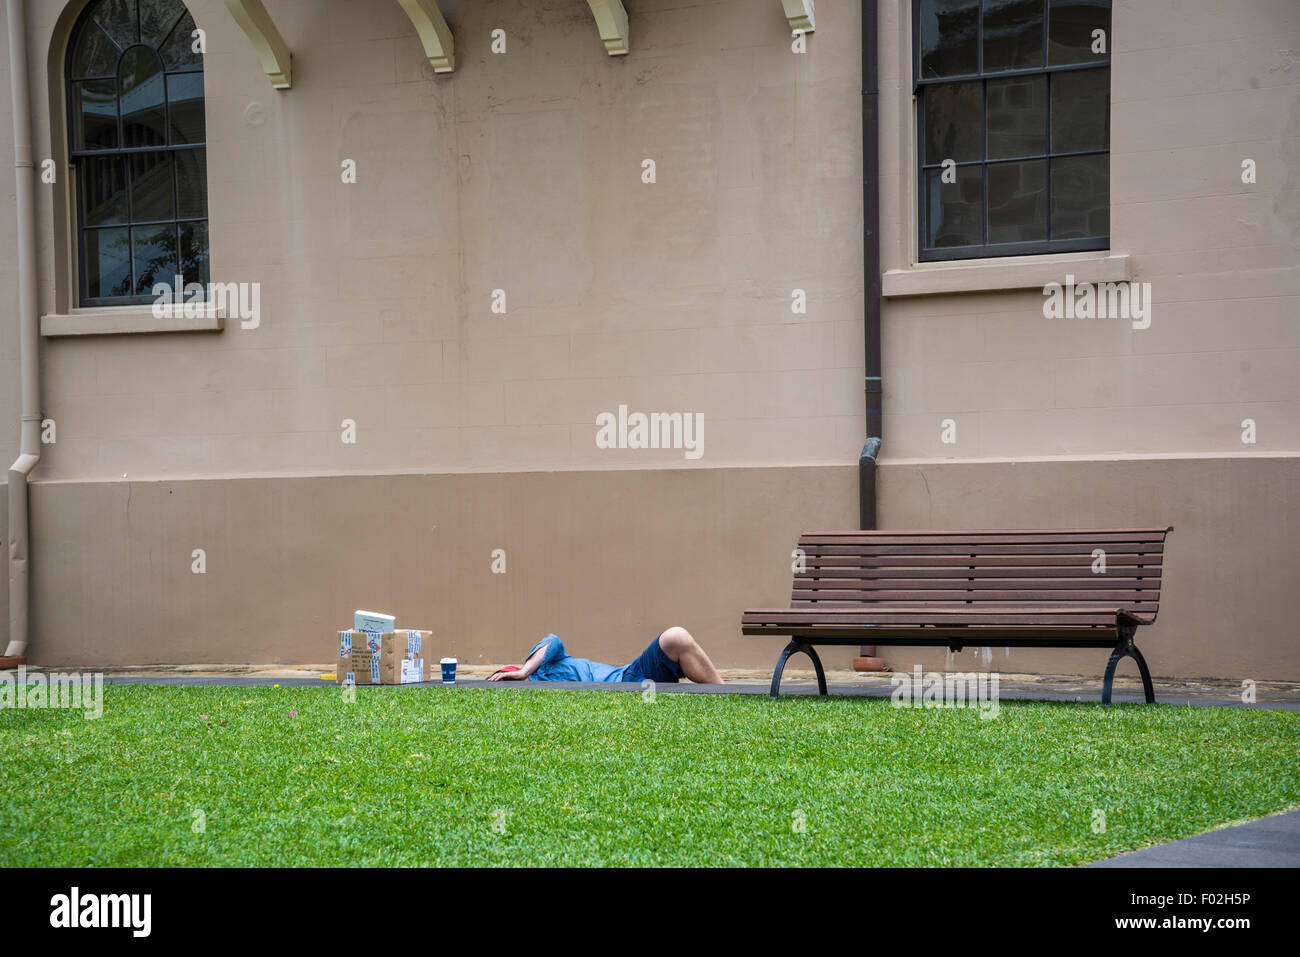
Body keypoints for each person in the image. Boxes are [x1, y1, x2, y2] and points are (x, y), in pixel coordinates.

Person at [487, 626, 723, 685]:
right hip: (635, 692)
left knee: (676, 637)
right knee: (676, 637)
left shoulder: (546, 664)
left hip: (628, 680)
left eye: (509, 680)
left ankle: (726, 694)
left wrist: (525, 671)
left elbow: (553, 640)